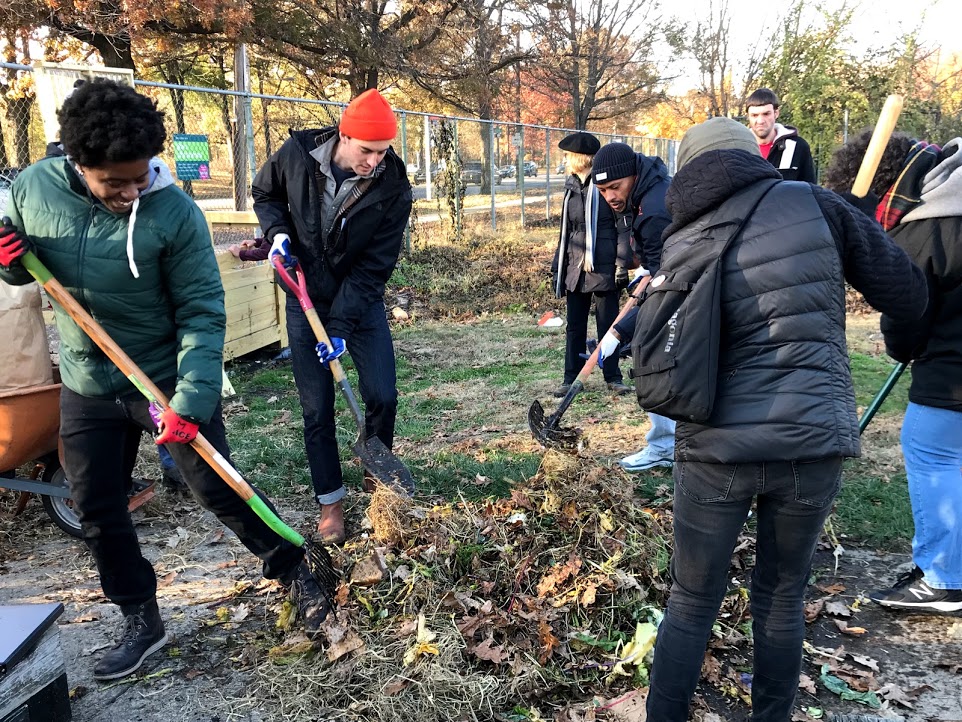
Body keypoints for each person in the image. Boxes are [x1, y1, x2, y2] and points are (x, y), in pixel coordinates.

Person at [0, 79, 327, 682]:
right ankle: (140, 618)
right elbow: (24, 271)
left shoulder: (173, 212)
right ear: (78, 163)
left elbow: (202, 307)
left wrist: (192, 397)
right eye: (114, 183)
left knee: (218, 488)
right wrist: (8, 259)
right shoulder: (32, 191)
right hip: (87, 381)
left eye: (141, 177)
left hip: (166, 378)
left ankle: (297, 571)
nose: (131, 192)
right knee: (96, 505)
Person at [640, 117, 927, 721]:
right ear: (754, 156)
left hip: (715, 448)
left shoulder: (684, 235)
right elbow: (907, 296)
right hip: (810, 440)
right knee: (781, 595)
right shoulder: (814, 203)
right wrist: (850, 228)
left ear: (689, 170)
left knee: (691, 601)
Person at [252, 88, 413, 545]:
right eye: (366, 151)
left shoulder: (393, 188)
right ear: (344, 135)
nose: (373, 162)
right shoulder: (297, 155)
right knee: (317, 408)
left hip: (358, 302)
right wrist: (278, 235)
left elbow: (373, 269)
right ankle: (331, 502)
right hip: (304, 296)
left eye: (382, 152)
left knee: (381, 393)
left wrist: (340, 327)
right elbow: (265, 191)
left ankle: (376, 474)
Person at [824, 131, 962, 612]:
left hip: (952, 370)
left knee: (933, 449)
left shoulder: (928, 223)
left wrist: (904, 347)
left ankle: (945, 576)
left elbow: (908, 310)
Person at [588, 141, 676, 471]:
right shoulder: (647, 192)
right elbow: (663, 264)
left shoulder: (652, 209)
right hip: (673, 287)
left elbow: (666, 290)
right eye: (602, 189)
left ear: (633, 175)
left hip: (680, 298)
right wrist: (648, 268)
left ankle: (667, 446)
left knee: (656, 362)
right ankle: (667, 442)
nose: (610, 196)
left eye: (615, 187)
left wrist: (619, 333)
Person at [550, 132, 632, 397]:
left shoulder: (605, 185)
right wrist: (557, 267)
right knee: (575, 325)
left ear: (579, 158)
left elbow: (622, 226)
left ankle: (613, 377)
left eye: (568, 155)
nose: (565, 160)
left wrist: (622, 263)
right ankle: (570, 377)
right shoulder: (570, 187)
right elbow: (566, 231)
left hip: (603, 264)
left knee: (608, 325)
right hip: (575, 267)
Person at [745, 88, 816, 183]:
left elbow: (810, 190)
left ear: (776, 113)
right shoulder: (739, 149)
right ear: (748, 117)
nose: (760, 121)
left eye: (766, 114)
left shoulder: (798, 147)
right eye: (754, 115)